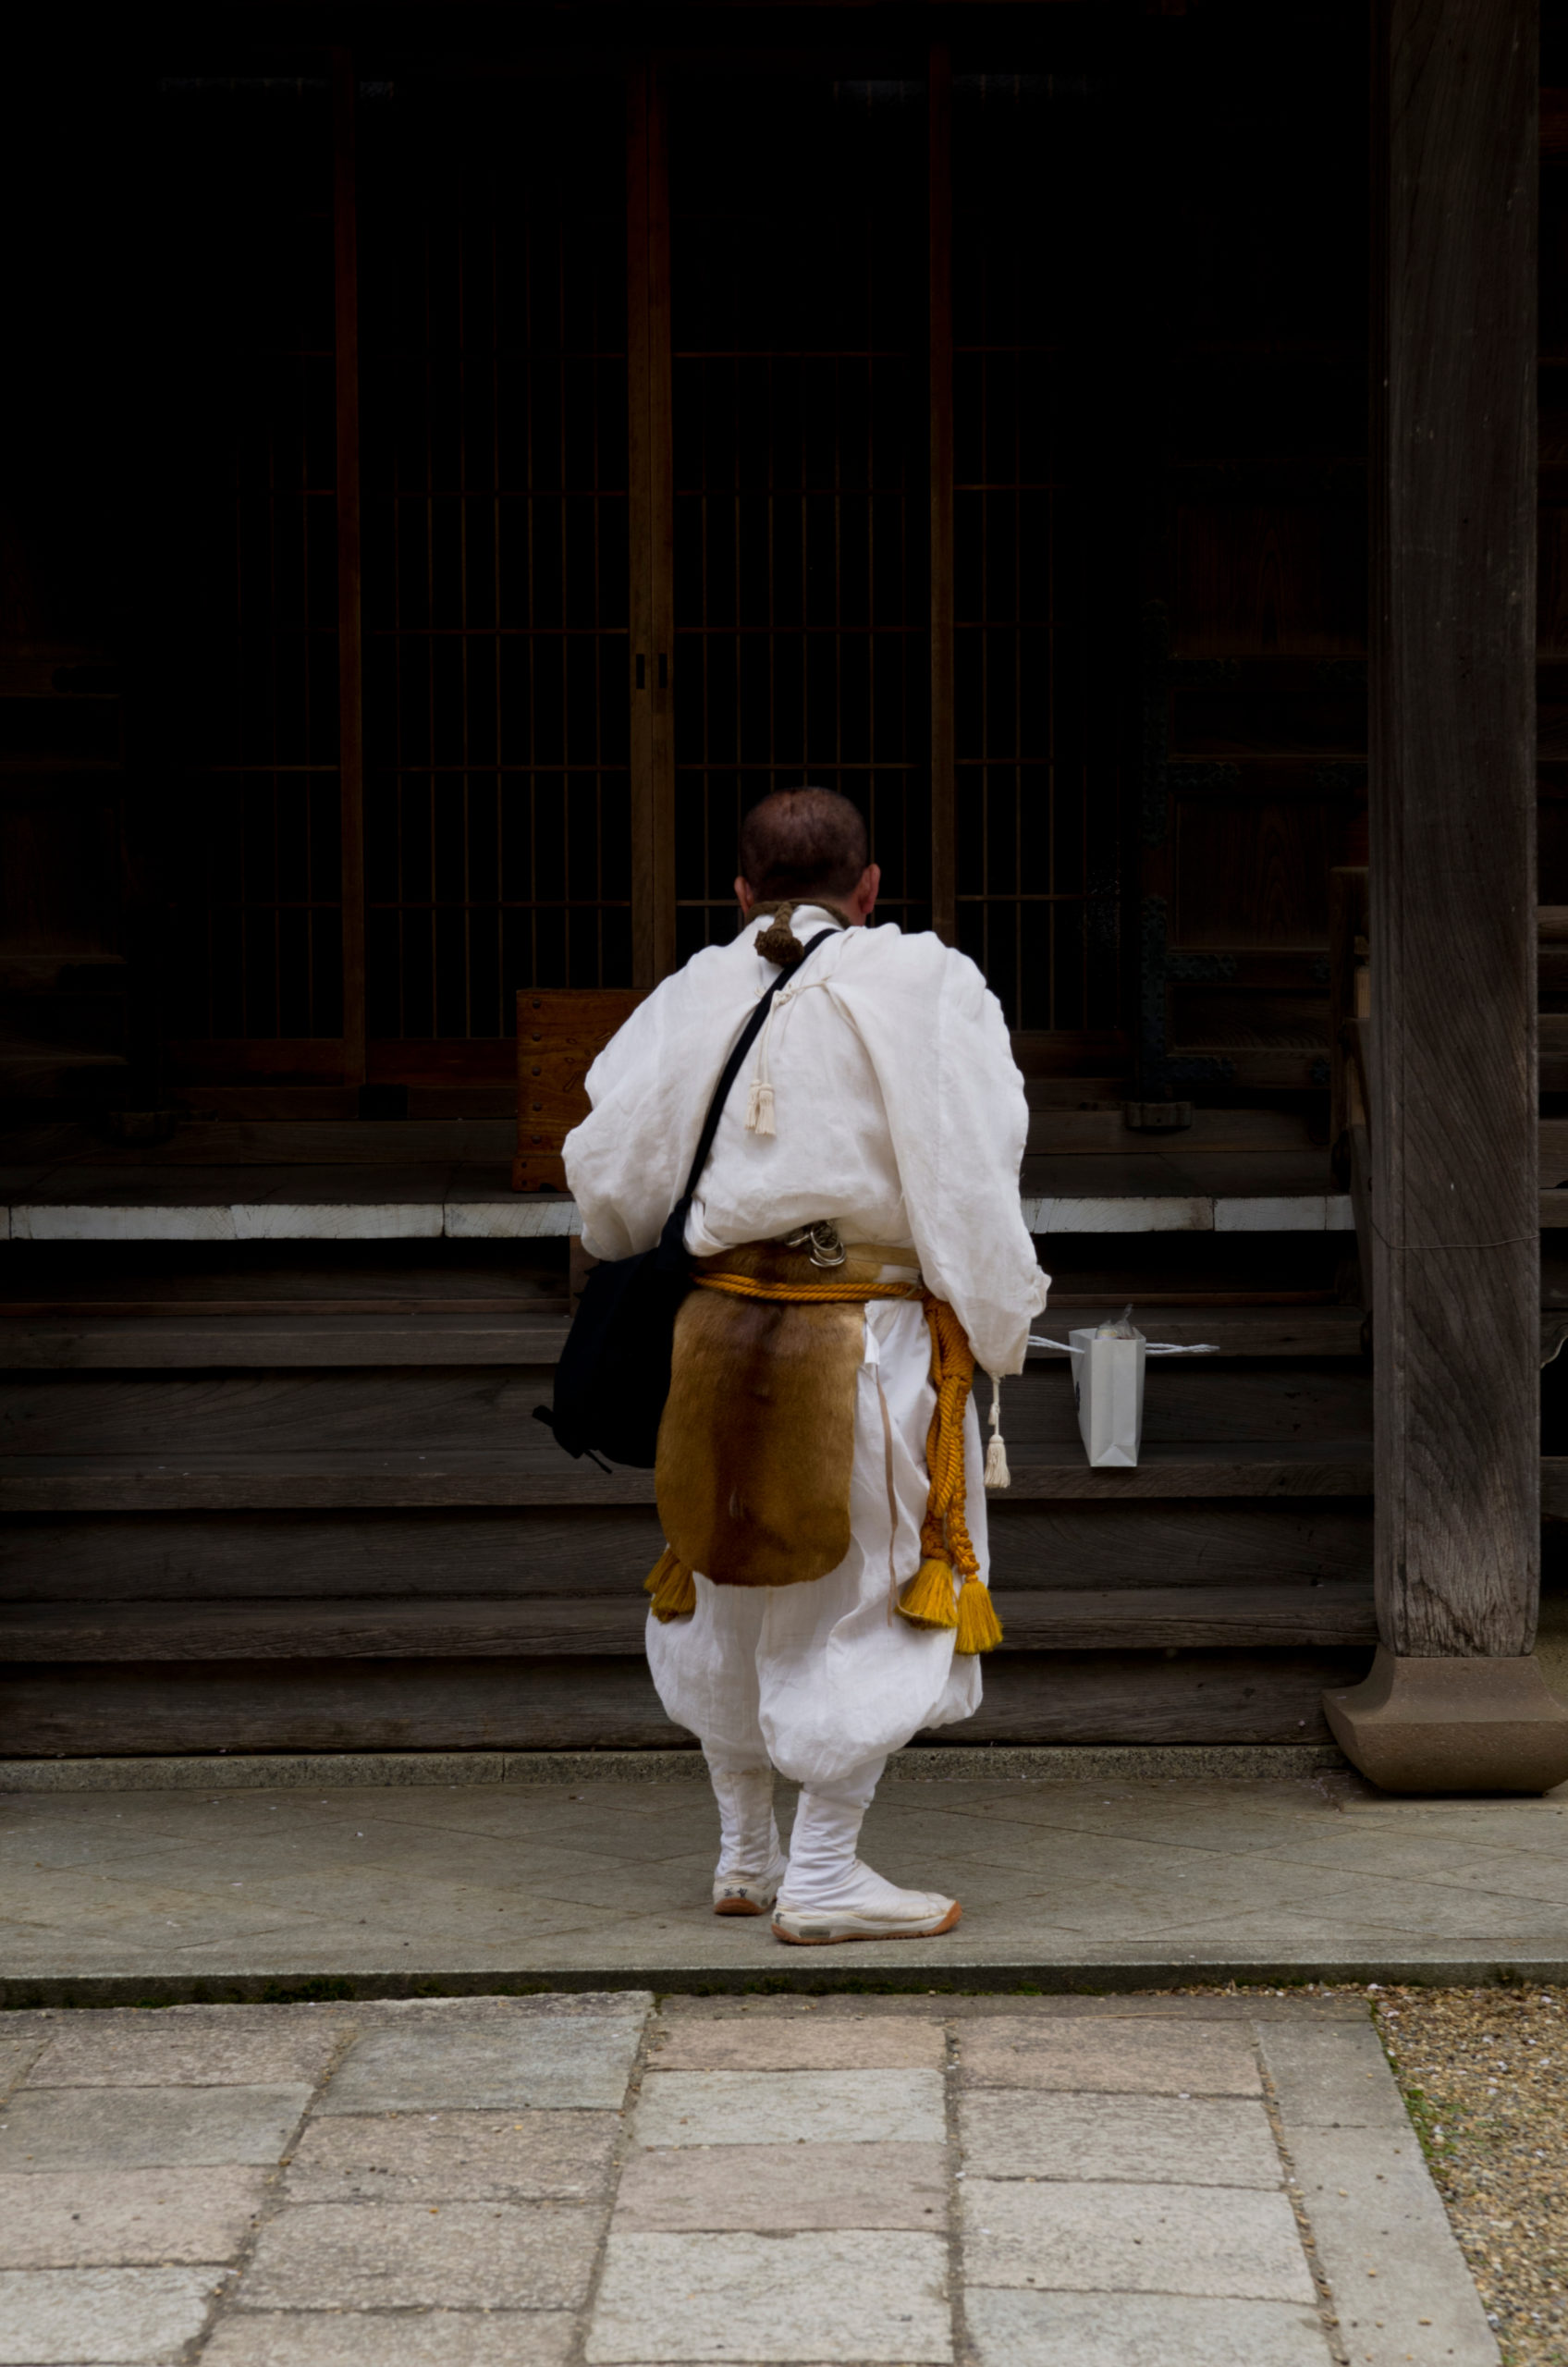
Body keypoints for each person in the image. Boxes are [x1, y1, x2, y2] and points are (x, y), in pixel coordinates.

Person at [564, 787, 1047, 1944]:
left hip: (717, 1333)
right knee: (863, 1596)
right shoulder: (928, 983)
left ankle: (745, 1854)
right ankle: (820, 1871)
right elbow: (975, 1169)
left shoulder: (696, 989)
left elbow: (608, 1179)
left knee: (728, 1580)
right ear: (869, 888)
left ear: (740, 891)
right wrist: (997, 1321)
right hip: (864, 1335)